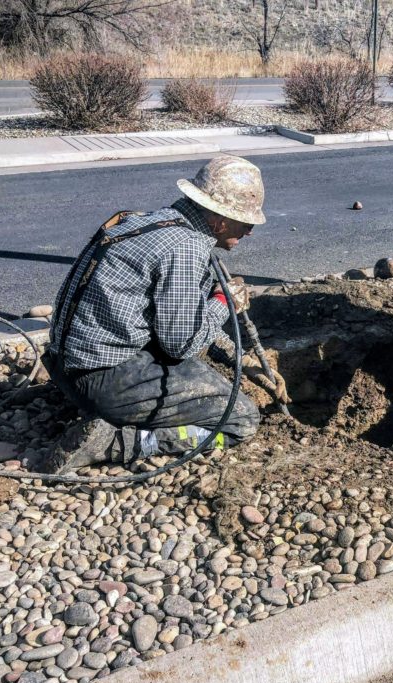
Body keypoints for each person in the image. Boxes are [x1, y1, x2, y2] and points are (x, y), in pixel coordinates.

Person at [42, 155, 287, 472]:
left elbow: (185, 319)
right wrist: (225, 304)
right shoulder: (184, 248)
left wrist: (244, 361)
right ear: (220, 220)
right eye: (247, 222)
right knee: (241, 420)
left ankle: (106, 411)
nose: (250, 231)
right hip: (104, 381)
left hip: (66, 367)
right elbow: (181, 345)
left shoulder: (148, 222)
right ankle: (117, 442)